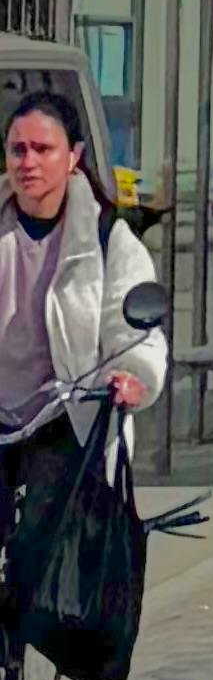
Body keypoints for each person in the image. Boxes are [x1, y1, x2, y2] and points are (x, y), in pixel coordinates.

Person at [0, 95, 166, 576]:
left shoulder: (106, 238)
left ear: (72, 156)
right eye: (17, 150)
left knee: (44, 553)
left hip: (63, 418)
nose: (27, 162)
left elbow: (135, 327)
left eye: (41, 149)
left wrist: (131, 376)